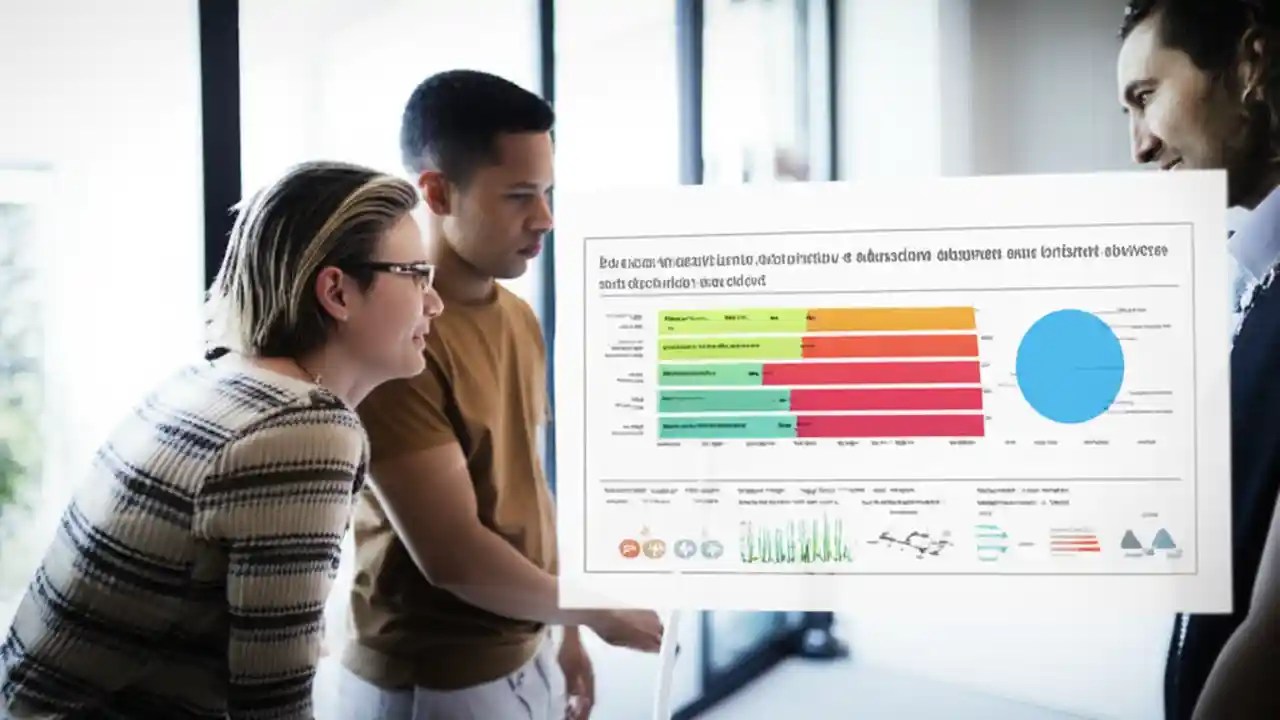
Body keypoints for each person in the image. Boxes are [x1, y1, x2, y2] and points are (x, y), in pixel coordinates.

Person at [0, 160, 444, 718]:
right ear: (337, 291)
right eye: (416, 274)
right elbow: (273, 706)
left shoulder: (214, 380)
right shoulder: (304, 429)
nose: (435, 302)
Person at [336, 69, 663, 720]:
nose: (544, 218)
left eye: (546, 192)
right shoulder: (397, 340)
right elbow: (453, 556)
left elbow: (528, 488)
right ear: (435, 191)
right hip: (434, 683)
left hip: (526, 641)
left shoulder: (516, 314)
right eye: (518, 195)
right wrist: (595, 610)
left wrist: (563, 632)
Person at [1117, 2, 1280, 718]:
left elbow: (1274, 635)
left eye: (1146, 97)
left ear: (1250, 65)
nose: (1139, 147)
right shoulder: (1255, 276)